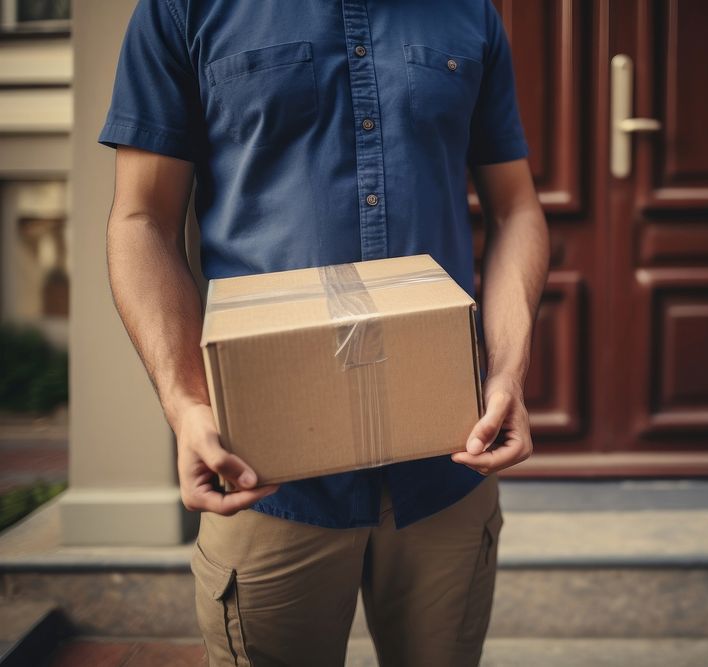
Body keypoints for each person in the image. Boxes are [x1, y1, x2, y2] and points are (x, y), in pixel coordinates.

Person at [98, 0, 549, 665]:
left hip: (448, 463)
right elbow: (141, 222)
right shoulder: (183, 9)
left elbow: (516, 208)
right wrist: (187, 404)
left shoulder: (469, 13)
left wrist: (506, 373)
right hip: (265, 471)